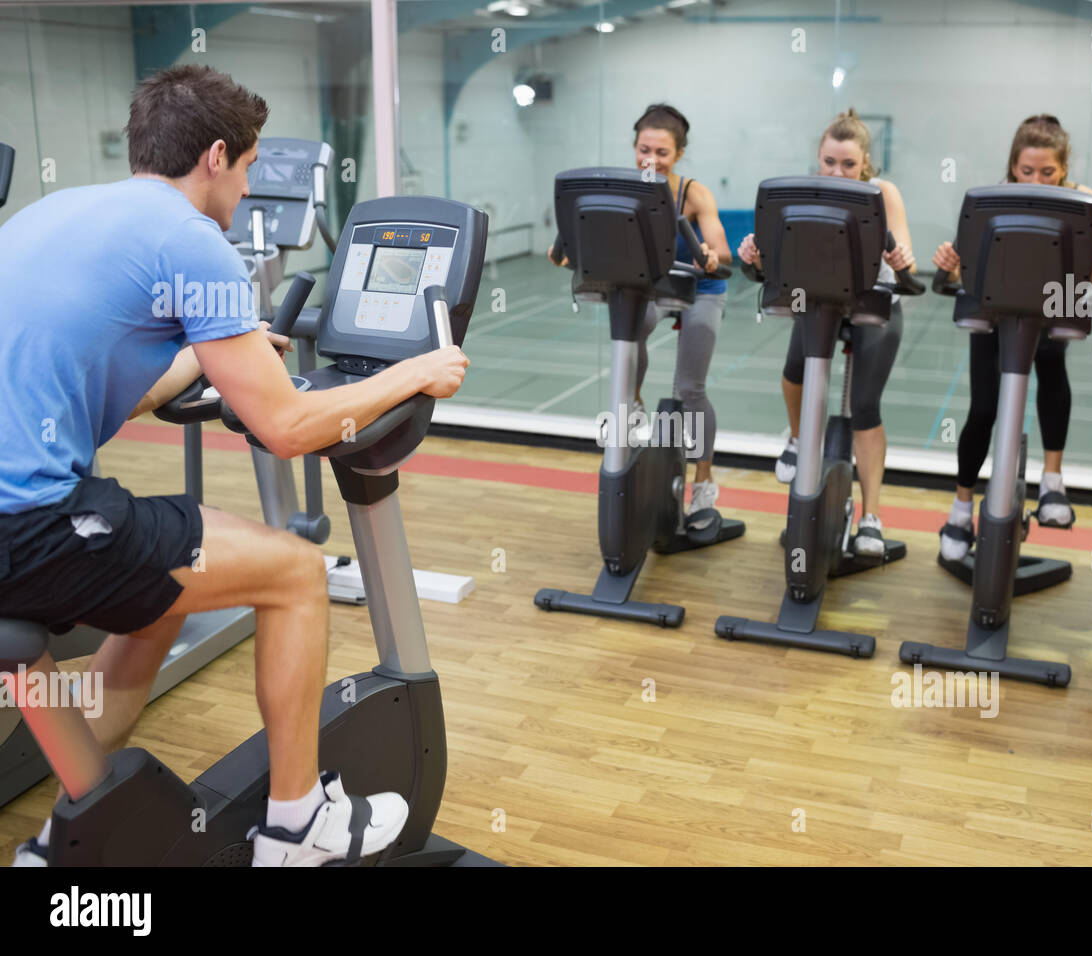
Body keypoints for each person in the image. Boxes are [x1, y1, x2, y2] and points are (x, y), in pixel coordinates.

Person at [0, 66, 470, 867]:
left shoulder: (58, 210)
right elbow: (287, 429)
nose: (250, 188)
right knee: (293, 570)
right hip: (31, 529)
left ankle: (89, 817)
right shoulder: (194, 242)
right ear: (217, 155)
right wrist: (418, 370)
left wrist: (217, 356)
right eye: (250, 166)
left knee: (160, 597)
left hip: (23, 521)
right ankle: (297, 828)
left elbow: (124, 375)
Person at [933, 114, 1092, 561]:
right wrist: (949, 263)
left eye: (1048, 172)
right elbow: (962, 269)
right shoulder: (992, 200)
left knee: (1053, 366)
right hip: (997, 313)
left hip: (1051, 309)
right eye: (1027, 171)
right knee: (983, 409)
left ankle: (1052, 482)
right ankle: (961, 508)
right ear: (1013, 166)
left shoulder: (1082, 202)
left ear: (1065, 168)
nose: (1037, 180)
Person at [738, 107, 917, 555]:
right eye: (830, 162)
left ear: (865, 164)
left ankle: (871, 517)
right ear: (818, 159)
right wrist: (756, 258)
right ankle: (798, 439)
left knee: (864, 408)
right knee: (795, 368)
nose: (838, 171)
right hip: (821, 300)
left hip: (875, 300)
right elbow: (777, 257)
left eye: (849, 164)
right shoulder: (804, 194)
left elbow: (905, 255)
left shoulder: (882, 193)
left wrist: (902, 261)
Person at [551, 104, 732, 524]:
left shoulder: (693, 194)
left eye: (662, 153)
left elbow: (721, 251)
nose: (651, 159)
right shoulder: (625, 188)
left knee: (689, 388)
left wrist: (709, 254)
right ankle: (632, 404)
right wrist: (567, 252)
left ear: (679, 155)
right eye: (644, 149)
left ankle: (703, 484)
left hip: (700, 285)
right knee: (637, 325)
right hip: (649, 284)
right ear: (634, 147)